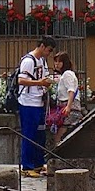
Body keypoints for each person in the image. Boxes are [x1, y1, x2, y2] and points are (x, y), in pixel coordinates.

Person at [16, 35, 56, 177]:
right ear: (42, 46)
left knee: (40, 134)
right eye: (48, 50)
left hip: (39, 101)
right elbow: (21, 80)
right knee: (29, 134)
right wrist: (40, 83)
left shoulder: (42, 61)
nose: (49, 53)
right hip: (28, 102)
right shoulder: (28, 61)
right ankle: (27, 166)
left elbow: (44, 77)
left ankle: (38, 163)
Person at [49, 51, 80, 144]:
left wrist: (68, 107)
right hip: (66, 107)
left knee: (59, 136)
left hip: (68, 108)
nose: (56, 64)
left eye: (59, 61)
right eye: (55, 61)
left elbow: (71, 90)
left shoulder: (67, 74)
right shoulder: (65, 75)